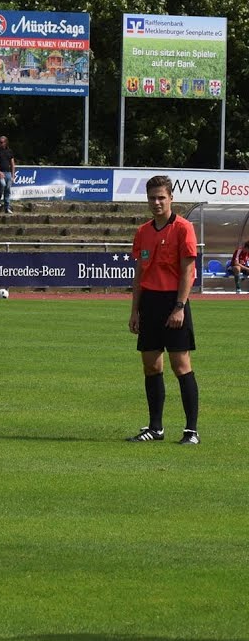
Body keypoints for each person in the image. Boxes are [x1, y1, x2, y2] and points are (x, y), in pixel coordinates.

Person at [127, 175, 200, 446]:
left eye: (161, 197)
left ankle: (191, 431)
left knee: (180, 366)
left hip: (174, 302)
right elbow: (139, 274)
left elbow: (187, 270)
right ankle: (155, 428)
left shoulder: (183, 228)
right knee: (150, 366)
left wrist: (180, 306)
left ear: (171, 198)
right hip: (150, 303)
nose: (156, 202)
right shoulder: (143, 231)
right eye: (152, 198)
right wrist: (135, 311)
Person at [0, 135, 17, 214]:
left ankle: (7, 206)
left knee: (8, 189)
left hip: (8, 172)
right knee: (2, 184)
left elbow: (12, 163)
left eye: (1, 142)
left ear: (5, 143)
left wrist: (13, 175)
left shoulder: (9, 151)